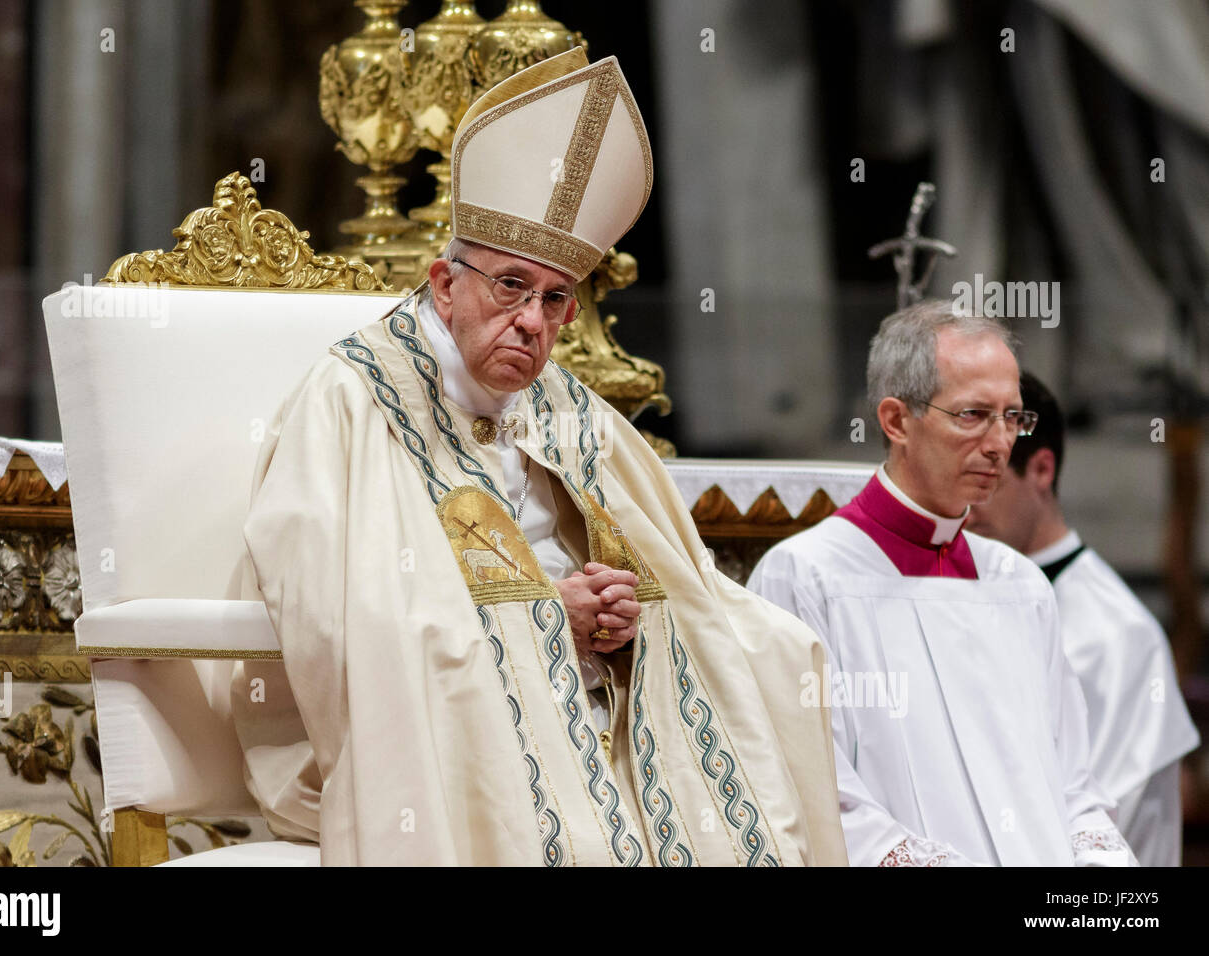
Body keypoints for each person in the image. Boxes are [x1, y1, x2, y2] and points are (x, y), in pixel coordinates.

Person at [233, 48, 847, 866]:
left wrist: (627, 622)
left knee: (765, 683)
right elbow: (342, 615)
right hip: (457, 732)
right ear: (444, 285)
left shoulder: (568, 407)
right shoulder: (352, 398)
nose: (533, 320)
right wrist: (545, 616)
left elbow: (685, 586)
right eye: (510, 286)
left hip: (600, 717)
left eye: (555, 298)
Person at [747, 299, 1135, 866]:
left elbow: (1073, 783)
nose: (1001, 443)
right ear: (897, 420)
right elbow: (811, 789)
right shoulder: (806, 577)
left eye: (1013, 417)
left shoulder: (1020, 584)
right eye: (973, 415)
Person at [966, 371, 1199, 866]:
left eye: (987, 483)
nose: (964, 511)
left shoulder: (1115, 636)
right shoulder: (976, 594)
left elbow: (1099, 833)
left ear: (1042, 471)